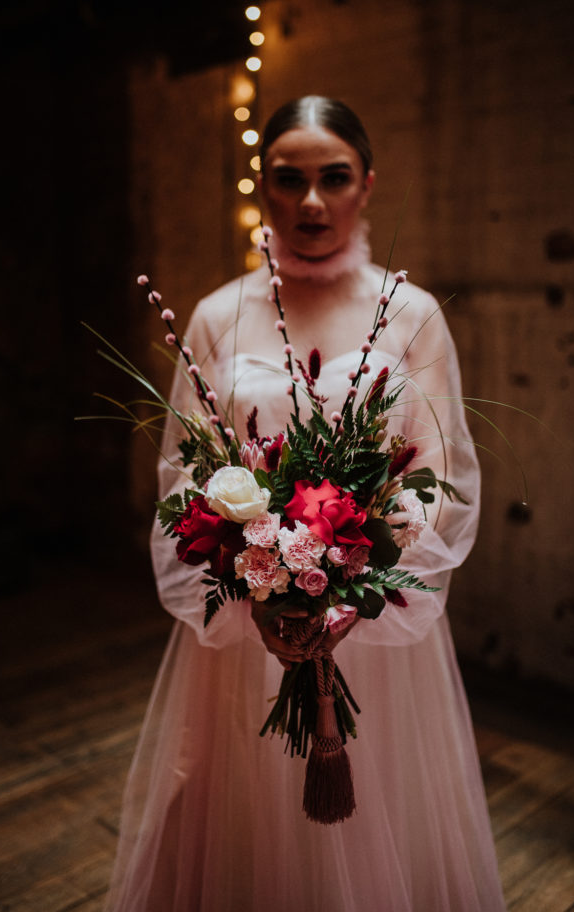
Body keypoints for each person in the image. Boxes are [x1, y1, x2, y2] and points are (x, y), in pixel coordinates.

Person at [104, 96, 507, 911]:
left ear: (366, 185)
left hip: (377, 632)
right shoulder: (218, 315)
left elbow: (438, 471)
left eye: (334, 178)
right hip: (247, 630)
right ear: (263, 187)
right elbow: (184, 476)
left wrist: (360, 592)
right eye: (289, 180)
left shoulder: (412, 313)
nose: (311, 202)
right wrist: (255, 590)